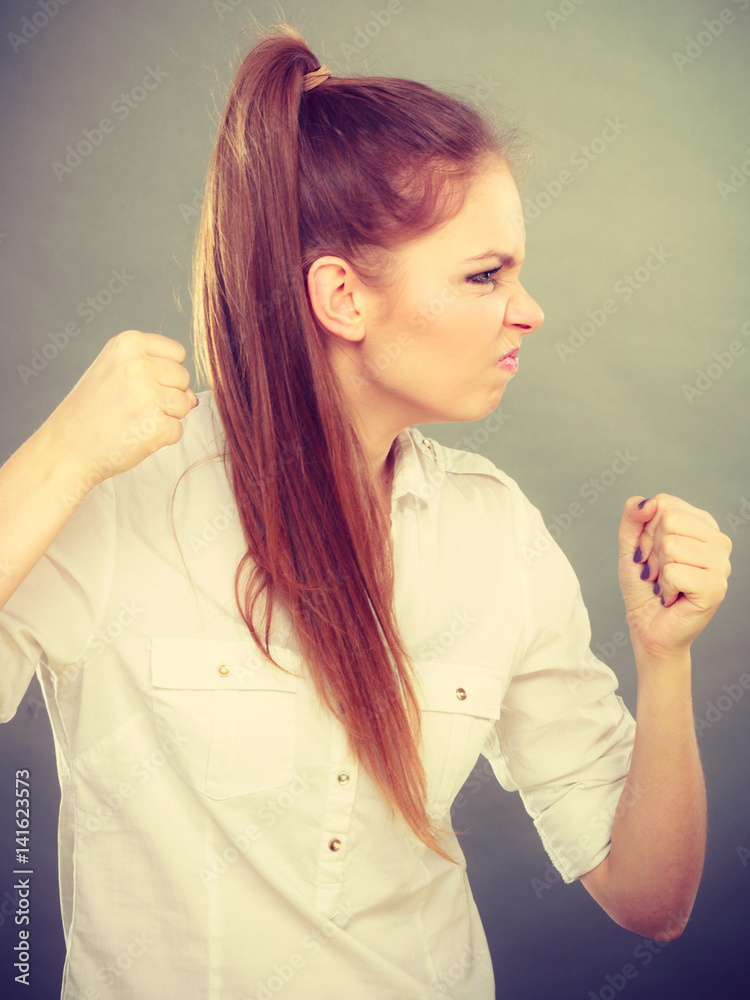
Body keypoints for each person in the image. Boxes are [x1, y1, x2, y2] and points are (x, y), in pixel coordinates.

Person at [0, 19, 732, 1000]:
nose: (531, 310)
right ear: (343, 297)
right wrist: (56, 457)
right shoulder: (121, 497)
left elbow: (653, 902)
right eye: (485, 274)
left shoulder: (496, 535)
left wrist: (667, 656)